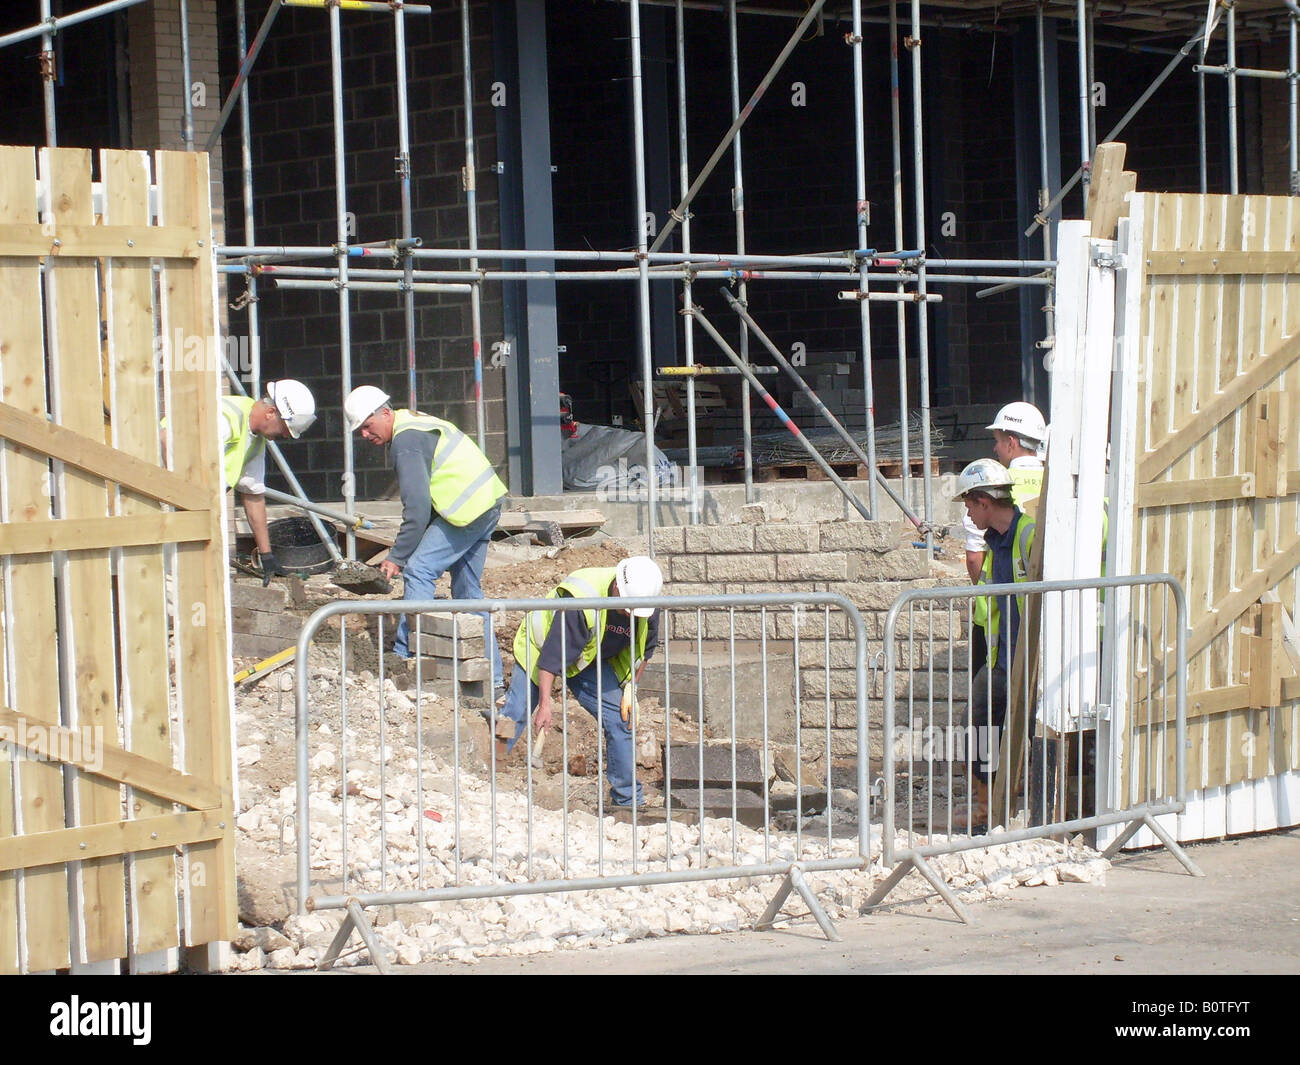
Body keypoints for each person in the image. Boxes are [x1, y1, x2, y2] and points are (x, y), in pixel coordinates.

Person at [344, 385, 507, 694]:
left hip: (466, 511)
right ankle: (494, 681)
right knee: (468, 593)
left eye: (367, 425)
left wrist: (398, 557)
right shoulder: (414, 422)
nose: (365, 435)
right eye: (360, 430)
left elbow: (417, 508)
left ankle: (407, 660)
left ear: (385, 412)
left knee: (418, 570)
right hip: (487, 504)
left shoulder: (405, 441)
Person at [493, 556, 664, 808]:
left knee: (622, 720)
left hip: (590, 659)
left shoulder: (645, 603)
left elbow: (644, 653)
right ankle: (487, 773)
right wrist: (545, 705)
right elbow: (551, 659)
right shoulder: (582, 600)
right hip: (541, 649)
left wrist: (630, 689)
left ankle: (628, 802)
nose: (630, 615)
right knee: (515, 713)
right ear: (617, 587)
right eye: (627, 608)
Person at [953, 458, 1035, 831]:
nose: (968, 513)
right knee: (978, 725)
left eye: (970, 504)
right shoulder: (996, 543)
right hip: (1003, 657)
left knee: (1028, 731)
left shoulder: (1028, 536)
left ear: (985, 501)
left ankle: (1022, 809)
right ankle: (988, 810)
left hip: (1031, 659)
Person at [220, 380, 317, 586]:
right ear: (271, 412)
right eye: (285, 427)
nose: (284, 435)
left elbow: (253, 494)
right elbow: (167, 440)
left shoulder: (255, 440)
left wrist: (267, 556)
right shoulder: (226, 417)